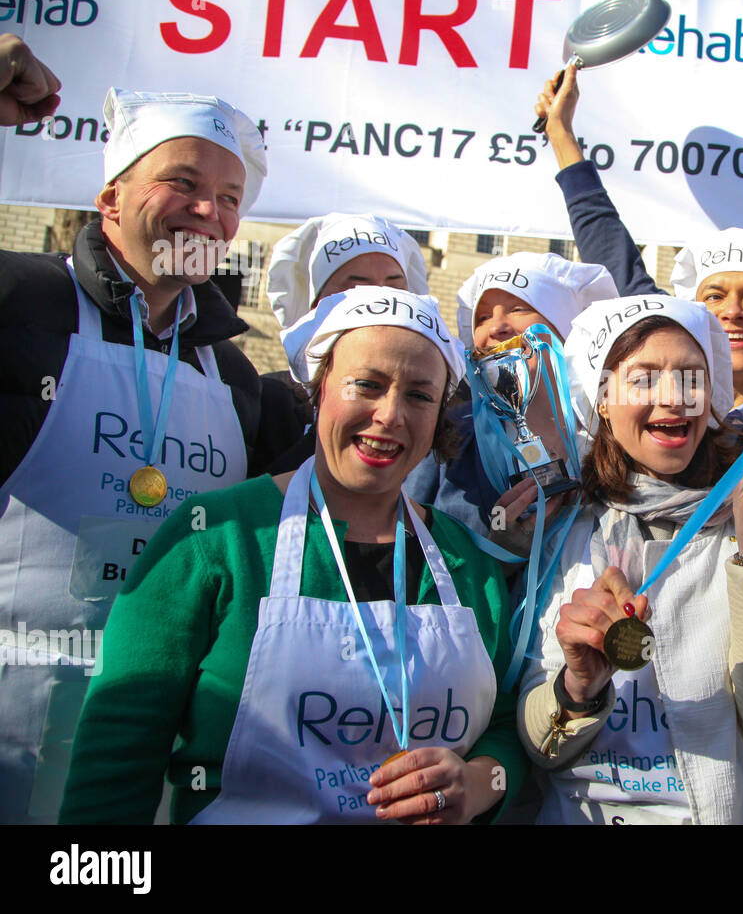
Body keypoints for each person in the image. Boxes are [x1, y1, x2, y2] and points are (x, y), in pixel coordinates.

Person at [60, 287, 525, 823]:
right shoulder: (216, 539)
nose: (390, 415)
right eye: (366, 385)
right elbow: (116, 759)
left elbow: (508, 726)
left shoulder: (466, 561)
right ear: (319, 385)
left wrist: (478, 781)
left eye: (420, 396)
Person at [0, 82, 294, 823]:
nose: (210, 212)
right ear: (111, 198)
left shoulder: (231, 373)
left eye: (230, 198)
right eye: (184, 184)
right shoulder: (19, 300)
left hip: (150, 731)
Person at [517, 294, 743, 824]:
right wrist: (579, 689)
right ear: (603, 401)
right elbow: (538, 746)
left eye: (691, 378)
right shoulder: (565, 526)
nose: (674, 398)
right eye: (643, 379)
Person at [535, 65, 743, 499]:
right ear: (693, 316)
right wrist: (561, 134)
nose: (732, 311)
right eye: (714, 296)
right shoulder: (661, 336)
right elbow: (606, 239)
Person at [408, 251, 617, 552]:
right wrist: (497, 551)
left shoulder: (613, 431)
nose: (496, 328)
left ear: (566, 327)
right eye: (481, 318)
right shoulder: (449, 435)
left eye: (518, 308)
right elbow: (412, 542)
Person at [260, 213, 433, 474]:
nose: (380, 302)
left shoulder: (430, 407)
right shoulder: (270, 400)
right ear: (316, 306)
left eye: (394, 289)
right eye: (357, 290)